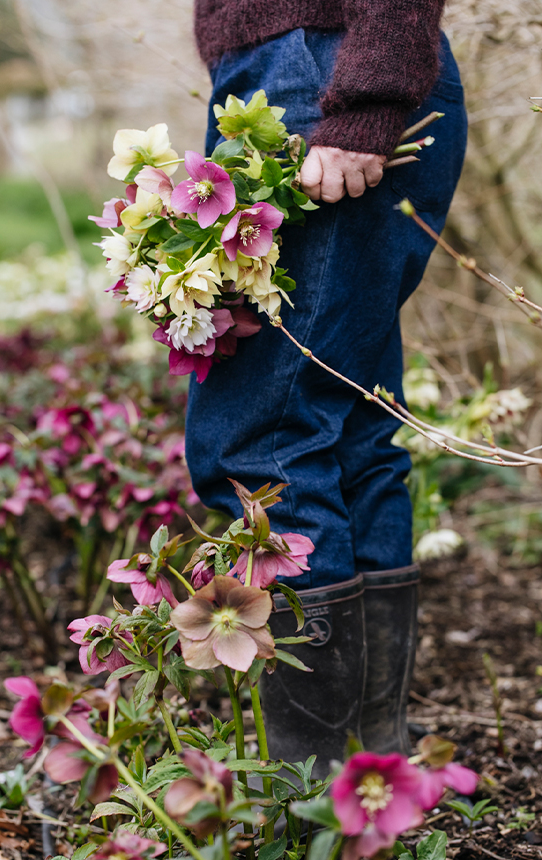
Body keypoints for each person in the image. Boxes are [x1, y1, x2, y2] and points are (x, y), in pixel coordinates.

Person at [184, 2, 467, 773]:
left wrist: (365, 103)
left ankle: (312, 795)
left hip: (329, 87)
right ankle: (369, 778)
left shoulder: (348, 90)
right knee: (348, 431)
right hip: (322, 77)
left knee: (263, 441)